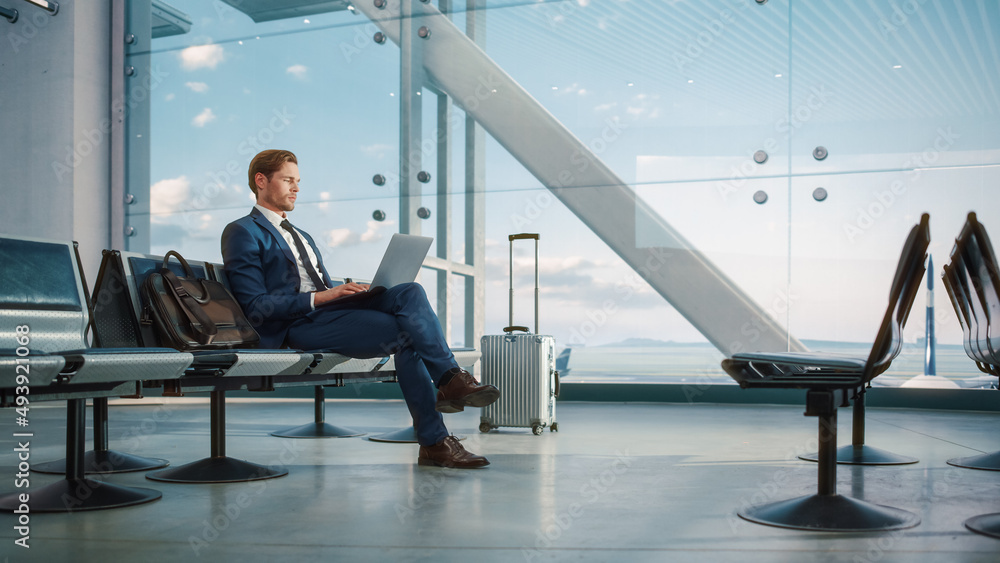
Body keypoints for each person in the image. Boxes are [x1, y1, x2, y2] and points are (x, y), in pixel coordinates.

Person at [221, 149, 500, 468]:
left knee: (409, 290)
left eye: (298, 181)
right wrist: (323, 298)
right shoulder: (243, 231)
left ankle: (450, 383)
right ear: (261, 181)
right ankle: (438, 431)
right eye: (288, 180)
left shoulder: (302, 235)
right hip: (297, 325)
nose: (296, 188)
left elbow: (320, 287)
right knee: (411, 334)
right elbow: (255, 306)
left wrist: (348, 294)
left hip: (329, 312)